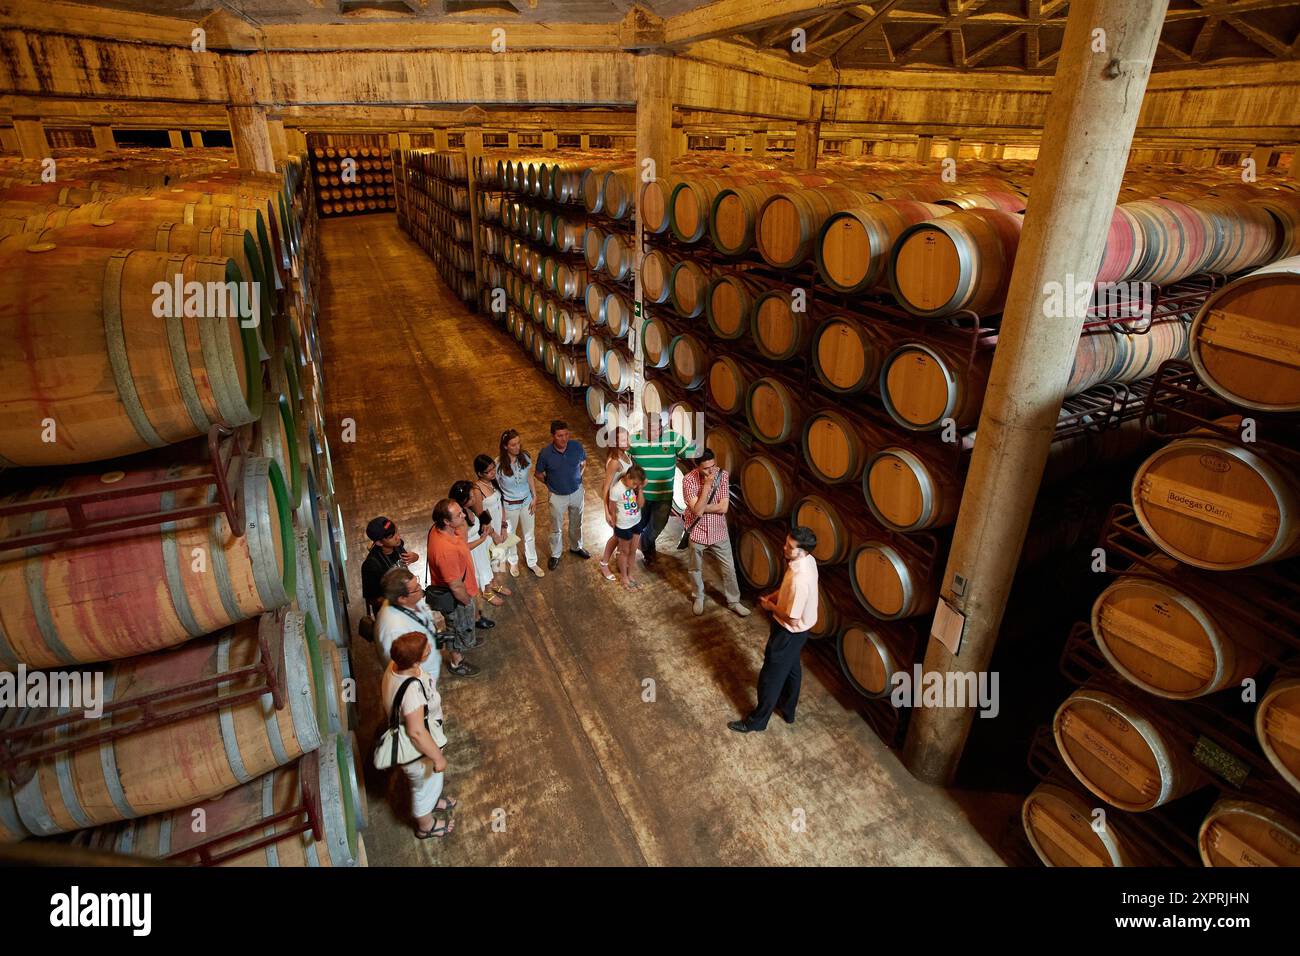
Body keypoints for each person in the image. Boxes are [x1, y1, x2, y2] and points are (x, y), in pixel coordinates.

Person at [728, 526, 819, 734]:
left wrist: (770, 607)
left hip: (788, 630)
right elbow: (788, 589)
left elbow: (791, 616)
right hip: (800, 632)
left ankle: (757, 721)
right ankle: (788, 710)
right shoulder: (806, 561)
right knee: (793, 668)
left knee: (771, 676)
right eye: (787, 542)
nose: (784, 547)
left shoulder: (800, 579)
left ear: (803, 551)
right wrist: (776, 596)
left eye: (790, 546)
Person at [381, 631, 456, 839]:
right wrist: (438, 757)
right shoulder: (411, 694)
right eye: (425, 648)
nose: (430, 648)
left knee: (431, 783)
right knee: (422, 788)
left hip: (423, 733)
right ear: (415, 661)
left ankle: (432, 803)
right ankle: (426, 826)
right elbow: (416, 733)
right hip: (417, 752)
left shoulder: (396, 666)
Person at [376, 566, 479, 678]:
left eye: (418, 583)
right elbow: (401, 669)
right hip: (422, 677)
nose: (421, 588)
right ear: (402, 599)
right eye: (416, 588)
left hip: (430, 665)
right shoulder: (393, 631)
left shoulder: (411, 600)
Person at [682, 449, 749, 618]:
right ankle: (698, 596)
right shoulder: (688, 480)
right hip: (697, 530)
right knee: (695, 568)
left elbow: (724, 507)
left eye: (713, 466)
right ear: (697, 466)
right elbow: (697, 512)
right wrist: (706, 486)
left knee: (729, 569)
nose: (711, 471)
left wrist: (702, 506)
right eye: (706, 468)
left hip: (719, 531)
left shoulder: (722, 475)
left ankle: (734, 601)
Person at [426, 498, 491, 667]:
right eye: (458, 514)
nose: (463, 515)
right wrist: (467, 602)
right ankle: (457, 661)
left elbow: (462, 548)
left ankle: (467, 639)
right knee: (456, 627)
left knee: (463, 626)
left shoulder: (441, 530)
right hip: (457, 598)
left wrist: (481, 540)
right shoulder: (445, 550)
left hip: (464, 589)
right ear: (447, 521)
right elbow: (455, 586)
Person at [628, 413, 689, 568]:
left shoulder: (673, 438)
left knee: (657, 527)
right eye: (650, 430)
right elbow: (620, 459)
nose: (654, 434)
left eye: (657, 430)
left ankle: (645, 544)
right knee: (639, 524)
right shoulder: (634, 440)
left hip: (663, 495)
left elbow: (692, 452)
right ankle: (647, 550)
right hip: (640, 496)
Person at [535, 419, 590, 570]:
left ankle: (576, 547)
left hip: (576, 491)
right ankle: (556, 554)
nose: (564, 438)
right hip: (557, 496)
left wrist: (579, 476)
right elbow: (538, 473)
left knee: (577, 521)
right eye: (560, 435)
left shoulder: (576, 447)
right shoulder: (545, 454)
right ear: (553, 436)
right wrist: (549, 484)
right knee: (556, 526)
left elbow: (584, 462)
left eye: (566, 434)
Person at [449, 479, 506, 614]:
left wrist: (488, 533)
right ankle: (486, 592)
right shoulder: (459, 521)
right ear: (463, 500)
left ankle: (492, 584)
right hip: (473, 550)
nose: (475, 497)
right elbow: (464, 546)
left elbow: (482, 517)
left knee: (488, 566)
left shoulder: (468, 509)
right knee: (480, 570)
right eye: (471, 496)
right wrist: (482, 539)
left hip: (480, 544)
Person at [497, 429, 544, 578]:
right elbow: (496, 487)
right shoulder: (498, 464)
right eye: (513, 445)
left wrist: (534, 496)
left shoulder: (524, 457)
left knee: (529, 534)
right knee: (511, 535)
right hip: (510, 506)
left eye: (518, 443)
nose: (517, 447)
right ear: (505, 446)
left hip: (526, 502)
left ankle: (532, 562)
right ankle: (513, 561)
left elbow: (529, 477)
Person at [473, 454, 514, 600]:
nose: (492, 473)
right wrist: (494, 534)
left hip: (499, 528)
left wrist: (503, 527)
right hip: (488, 533)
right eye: (488, 471)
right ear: (479, 473)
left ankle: (495, 584)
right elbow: (481, 516)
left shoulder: (493, 482)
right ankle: (487, 590)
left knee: (498, 559)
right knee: (488, 561)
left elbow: (501, 504)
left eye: (493, 469)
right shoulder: (477, 490)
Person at [361, 516, 417, 617]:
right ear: (379, 542)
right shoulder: (371, 565)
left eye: (396, 532)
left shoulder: (397, 544)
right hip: (391, 615)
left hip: (408, 604)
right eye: (392, 536)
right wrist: (399, 601)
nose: (398, 537)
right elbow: (372, 599)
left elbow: (411, 557)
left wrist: (414, 557)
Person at [597, 427, 633, 582]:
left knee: (623, 536)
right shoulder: (615, 462)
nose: (628, 442)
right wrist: (606, 511)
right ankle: (604, 563)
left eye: (628, 438)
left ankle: (620, 557)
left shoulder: (625, 455)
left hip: (626, 502)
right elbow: (605, 488)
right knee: (618, 536)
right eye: (624, 440)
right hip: (616, 505)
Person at [606, 464, 646, 591]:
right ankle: (624, 577)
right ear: (628, 476)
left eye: (637, 484)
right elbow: (612, 509)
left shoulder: (635, 487)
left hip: (636, 521)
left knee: (633, 550)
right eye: (634, 483)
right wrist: (615, 527)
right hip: (623, 525)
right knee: (624, 552)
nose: (635, 486)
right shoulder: (616, 489)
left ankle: (630, 575)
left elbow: (641, 504)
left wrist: (640, 489)